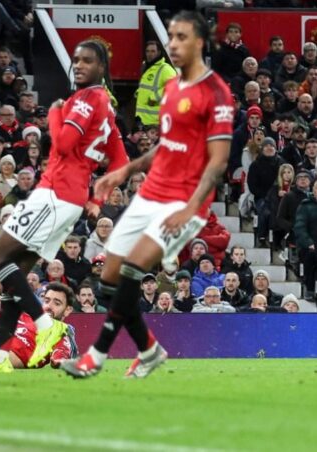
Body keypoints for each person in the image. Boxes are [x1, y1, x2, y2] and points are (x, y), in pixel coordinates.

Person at [63, 12, 234, 379]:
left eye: (181, 37)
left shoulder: (216, 93)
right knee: (109, 278)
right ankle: (150, 349)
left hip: (186, 199)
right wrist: (126, 169)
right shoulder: (172, 89)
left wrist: (190, 209)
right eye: (171, 37)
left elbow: (218, 162)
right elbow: (166, 147)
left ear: (200, 42)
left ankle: (96, 355)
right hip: (153, 191)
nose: (172, 44)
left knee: (129, 270)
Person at [0, 39, 129, 371]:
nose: (80, 66)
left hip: (54, 193)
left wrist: (55, 113)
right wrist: (95, 200)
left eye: (87, 61)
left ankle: (46, 325)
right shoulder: (107, 107)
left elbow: (65, 142)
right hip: (69, 199)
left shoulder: (85, 99)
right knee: (16, 277)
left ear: (101, 68)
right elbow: (121, 162)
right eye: (76, 60)